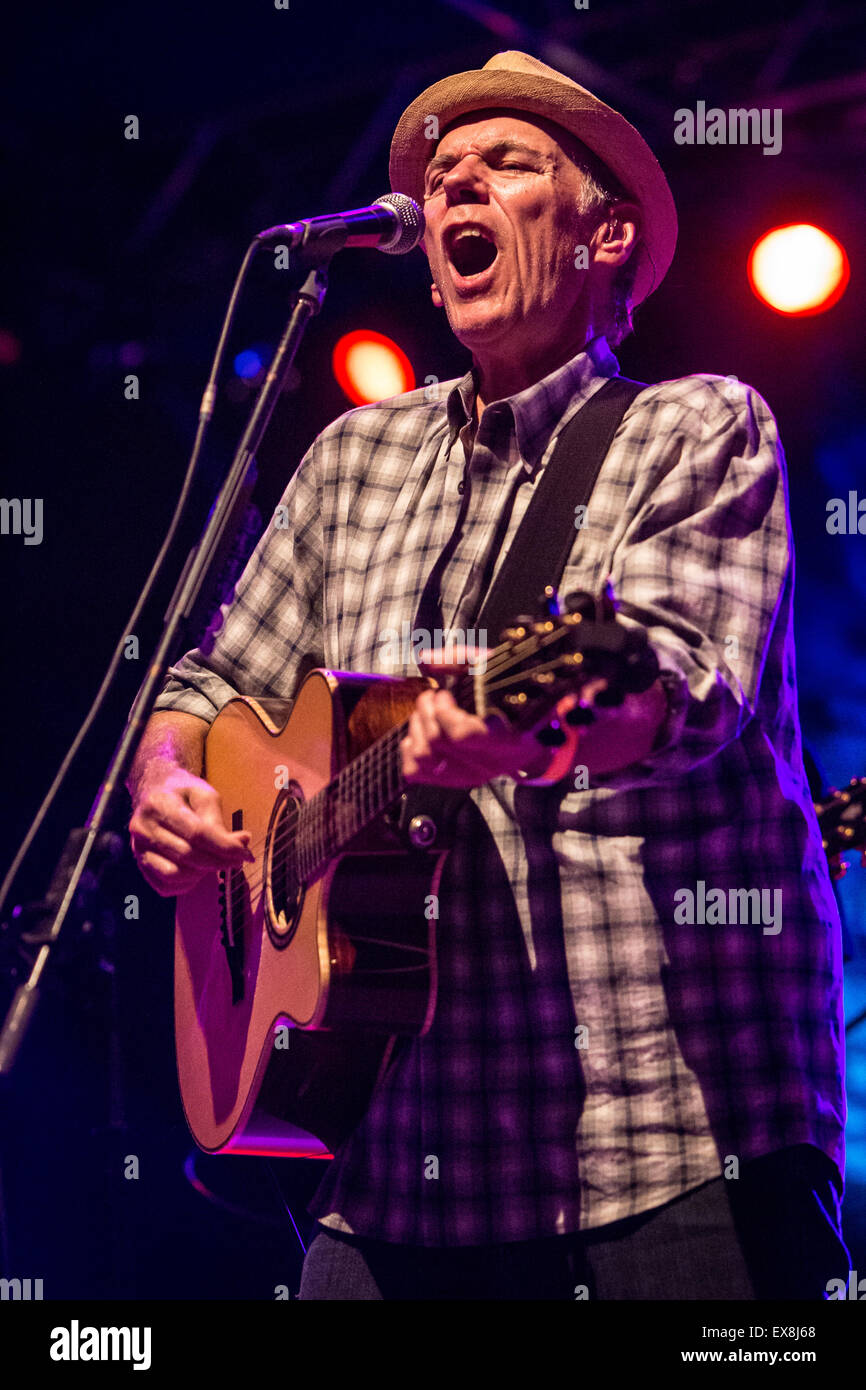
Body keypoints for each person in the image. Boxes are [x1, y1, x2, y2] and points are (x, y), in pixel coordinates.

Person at [127, 52, 848, 1300]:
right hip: (387, 1155)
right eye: (440, 172)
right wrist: (166, 778)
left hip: (664, 1147)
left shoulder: (695, 426)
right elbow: (205, 681)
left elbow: (676, 687)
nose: (454, 182)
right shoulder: (357, 454)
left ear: (604, 235)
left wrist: (531, 724)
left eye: (504, 164)